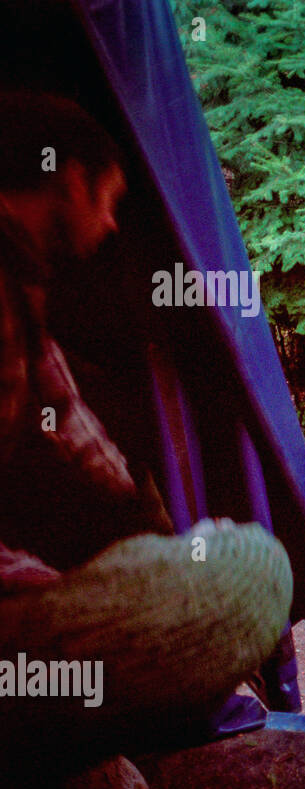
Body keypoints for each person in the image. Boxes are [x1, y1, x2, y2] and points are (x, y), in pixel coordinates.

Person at [0, 91, 155, 588]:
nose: (112, 224)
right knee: (251, 576)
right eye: (108, 200)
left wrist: (148, 529)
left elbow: (65, 415)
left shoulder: (21, 282)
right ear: (70, 181)